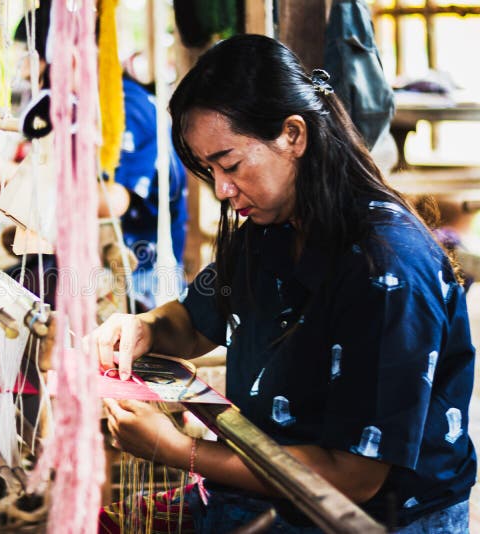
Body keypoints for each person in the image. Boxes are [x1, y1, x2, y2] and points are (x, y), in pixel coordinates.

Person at [92, 34, 475, 532]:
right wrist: (142, 326)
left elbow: (354, 478)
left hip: (374, 518)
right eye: (209, 170)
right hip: (270, 486)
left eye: (230, 164)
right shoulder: (269, 228)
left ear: (293, 135)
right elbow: (192, 322)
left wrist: (178, 451)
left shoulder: (386, 269)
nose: (223, 190)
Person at [11, 2, 188, 310]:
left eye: (39, 73)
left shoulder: (126, 109)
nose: (35, 86)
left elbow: (113, 200)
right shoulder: (81, 110)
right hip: (97, 263)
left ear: (71, 59)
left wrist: (23, 193)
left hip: (143, 281)